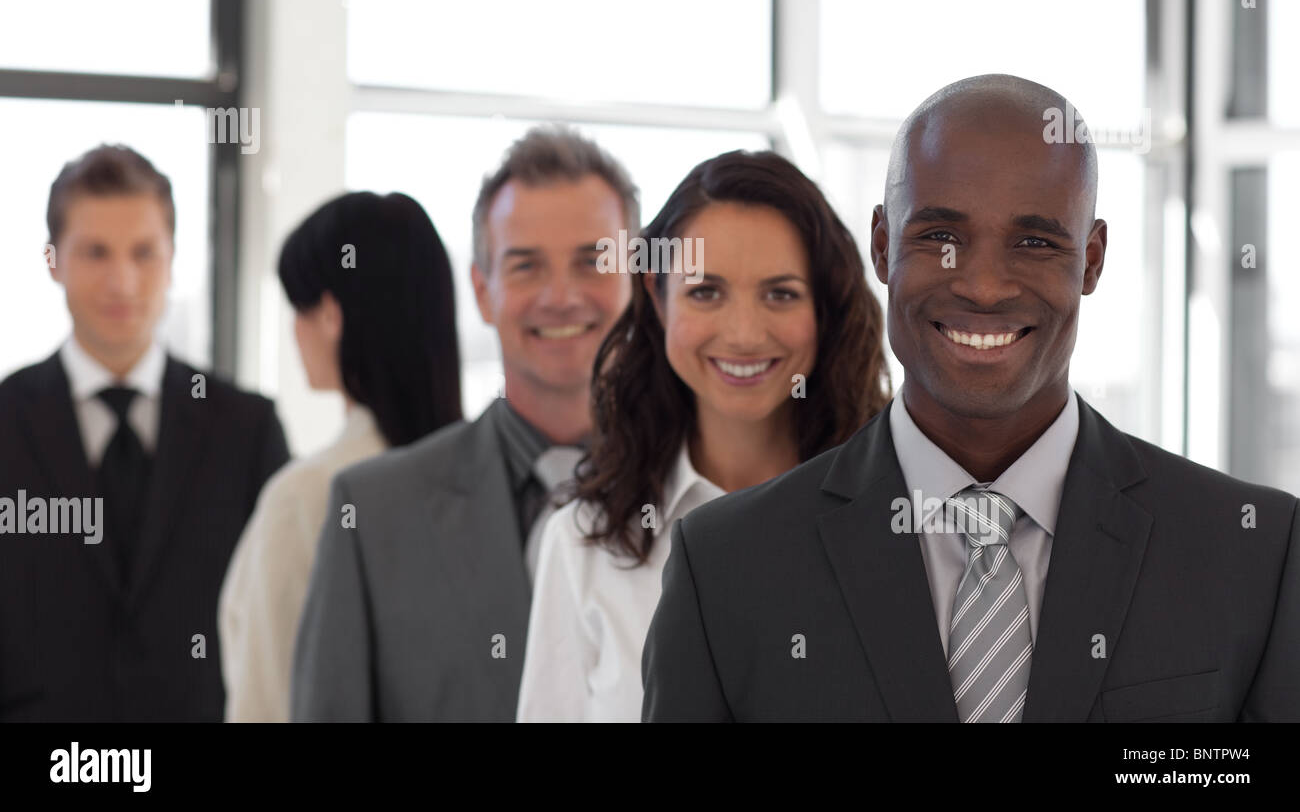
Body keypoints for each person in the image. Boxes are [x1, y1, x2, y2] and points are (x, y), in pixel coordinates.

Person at [642, 74, 1300, 723]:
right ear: (882, 244)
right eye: (939, 238)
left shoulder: (1254, 554)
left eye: (1035, 241)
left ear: (1093, 259)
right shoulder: (726, 566)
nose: (984, 287)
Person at [517, 150, 891, 721]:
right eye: (705, 292)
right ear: (656, 297)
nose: (743, 333)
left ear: (826, 307)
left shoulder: (895, 518)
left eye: (780, 293)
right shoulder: (582, 543)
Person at [291, 125, 636, 721]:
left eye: (592, 261)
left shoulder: (702, 502)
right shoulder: (372, 513)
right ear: (482, 291)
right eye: (526, 266)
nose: (561, 295)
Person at [0, 144, 290, 721]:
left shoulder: (247, 429)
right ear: (53, 260)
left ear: (173, 257)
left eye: (144, 253)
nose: (123, 281)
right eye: (96, 253)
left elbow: (282, 620)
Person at [218, 191, 463, 722]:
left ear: (331, 314)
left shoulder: (310, 497)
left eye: (299, 308)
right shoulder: (492, 483)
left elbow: (265, 707)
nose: (293, 330)